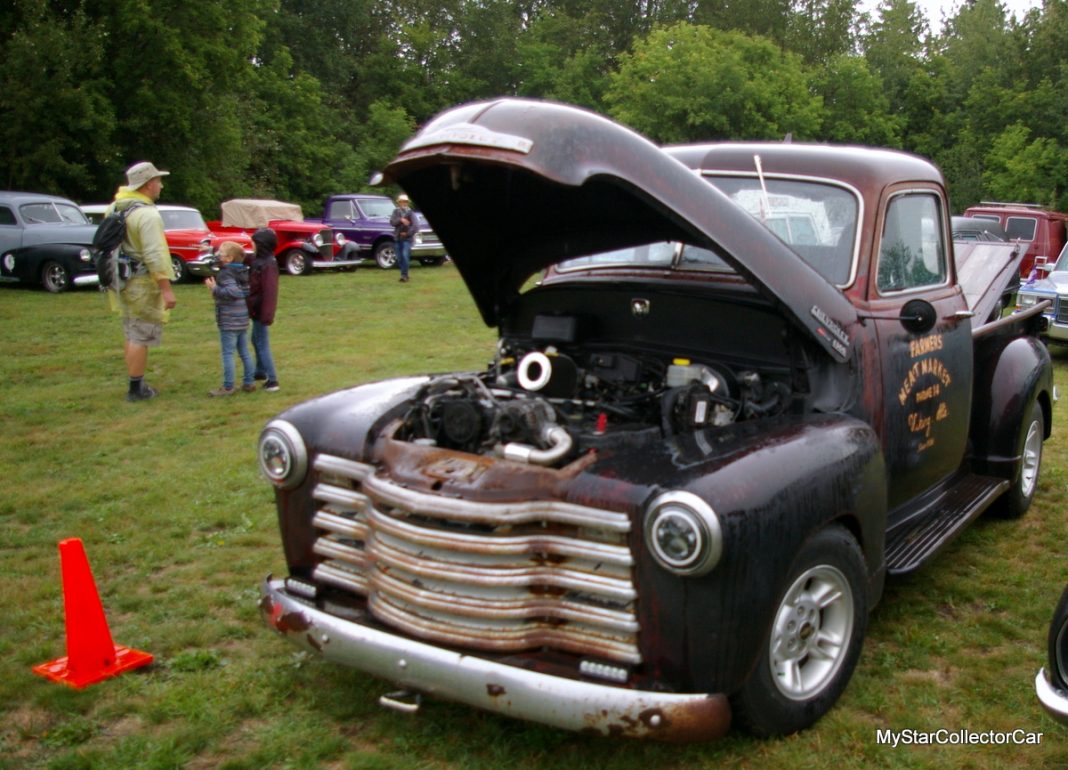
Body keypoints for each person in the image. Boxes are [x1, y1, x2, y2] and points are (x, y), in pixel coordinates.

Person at [108, 161, 177, 402]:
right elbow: (155, 254)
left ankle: (135, 381)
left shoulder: (117, 207)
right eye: (158, 181)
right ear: (148, 184)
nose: (161, 185)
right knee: (140, 335)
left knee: (131, 331)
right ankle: (136, 389)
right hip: (141, 283)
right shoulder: (147, 215)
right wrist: (166, 289)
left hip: (121, 280)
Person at [205, 241, 255, 397]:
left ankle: (228, 387)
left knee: (228, 353)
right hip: (242, 317)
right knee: (244, 352)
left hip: (229, 319)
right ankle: (249, 382)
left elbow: (232, 292)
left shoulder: (226, 273)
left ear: (229, 258)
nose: (218, 256)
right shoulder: (243, 271)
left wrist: (214, 288)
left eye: (221, 254)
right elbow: (244, 292)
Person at [246, 228, 280, 392]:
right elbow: (246, 257)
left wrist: (266, 315)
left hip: (261, 310)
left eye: (254, 243)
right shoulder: (259, 260)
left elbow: (269, 292)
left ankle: (272, 380)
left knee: (262, 343)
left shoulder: (268, 265)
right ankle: (260, 371)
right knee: (256, 339)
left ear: (261, 245)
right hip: (256, 308)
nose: (251, 245)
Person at [389, 193, 420, 283]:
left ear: (407, 203)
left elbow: (416, 226)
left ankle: (404, 275)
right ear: (399, 202)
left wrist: (407, 233)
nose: (403, 203)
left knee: (405, 256)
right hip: (397, 238)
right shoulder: (395, 212)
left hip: (407, 239)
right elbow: (392, 222)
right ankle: (405, 274)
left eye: (405, 202)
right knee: (399, 258)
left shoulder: (411, 213)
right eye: (402, 201)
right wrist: (401, 220)